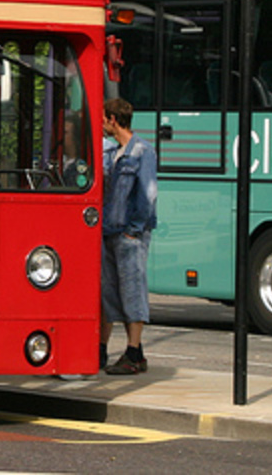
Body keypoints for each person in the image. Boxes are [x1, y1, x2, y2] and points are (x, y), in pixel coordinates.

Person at [99, 97, 158, 375]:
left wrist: (134, 230)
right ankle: (134, 352)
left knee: (133, 291)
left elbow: (148, 194)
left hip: (128, 235)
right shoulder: (112, 153)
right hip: (110, 232)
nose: (101, 123)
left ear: (113, 119)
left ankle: (133, 353)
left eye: (103, 118)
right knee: (112, 294)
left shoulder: (142, 151)